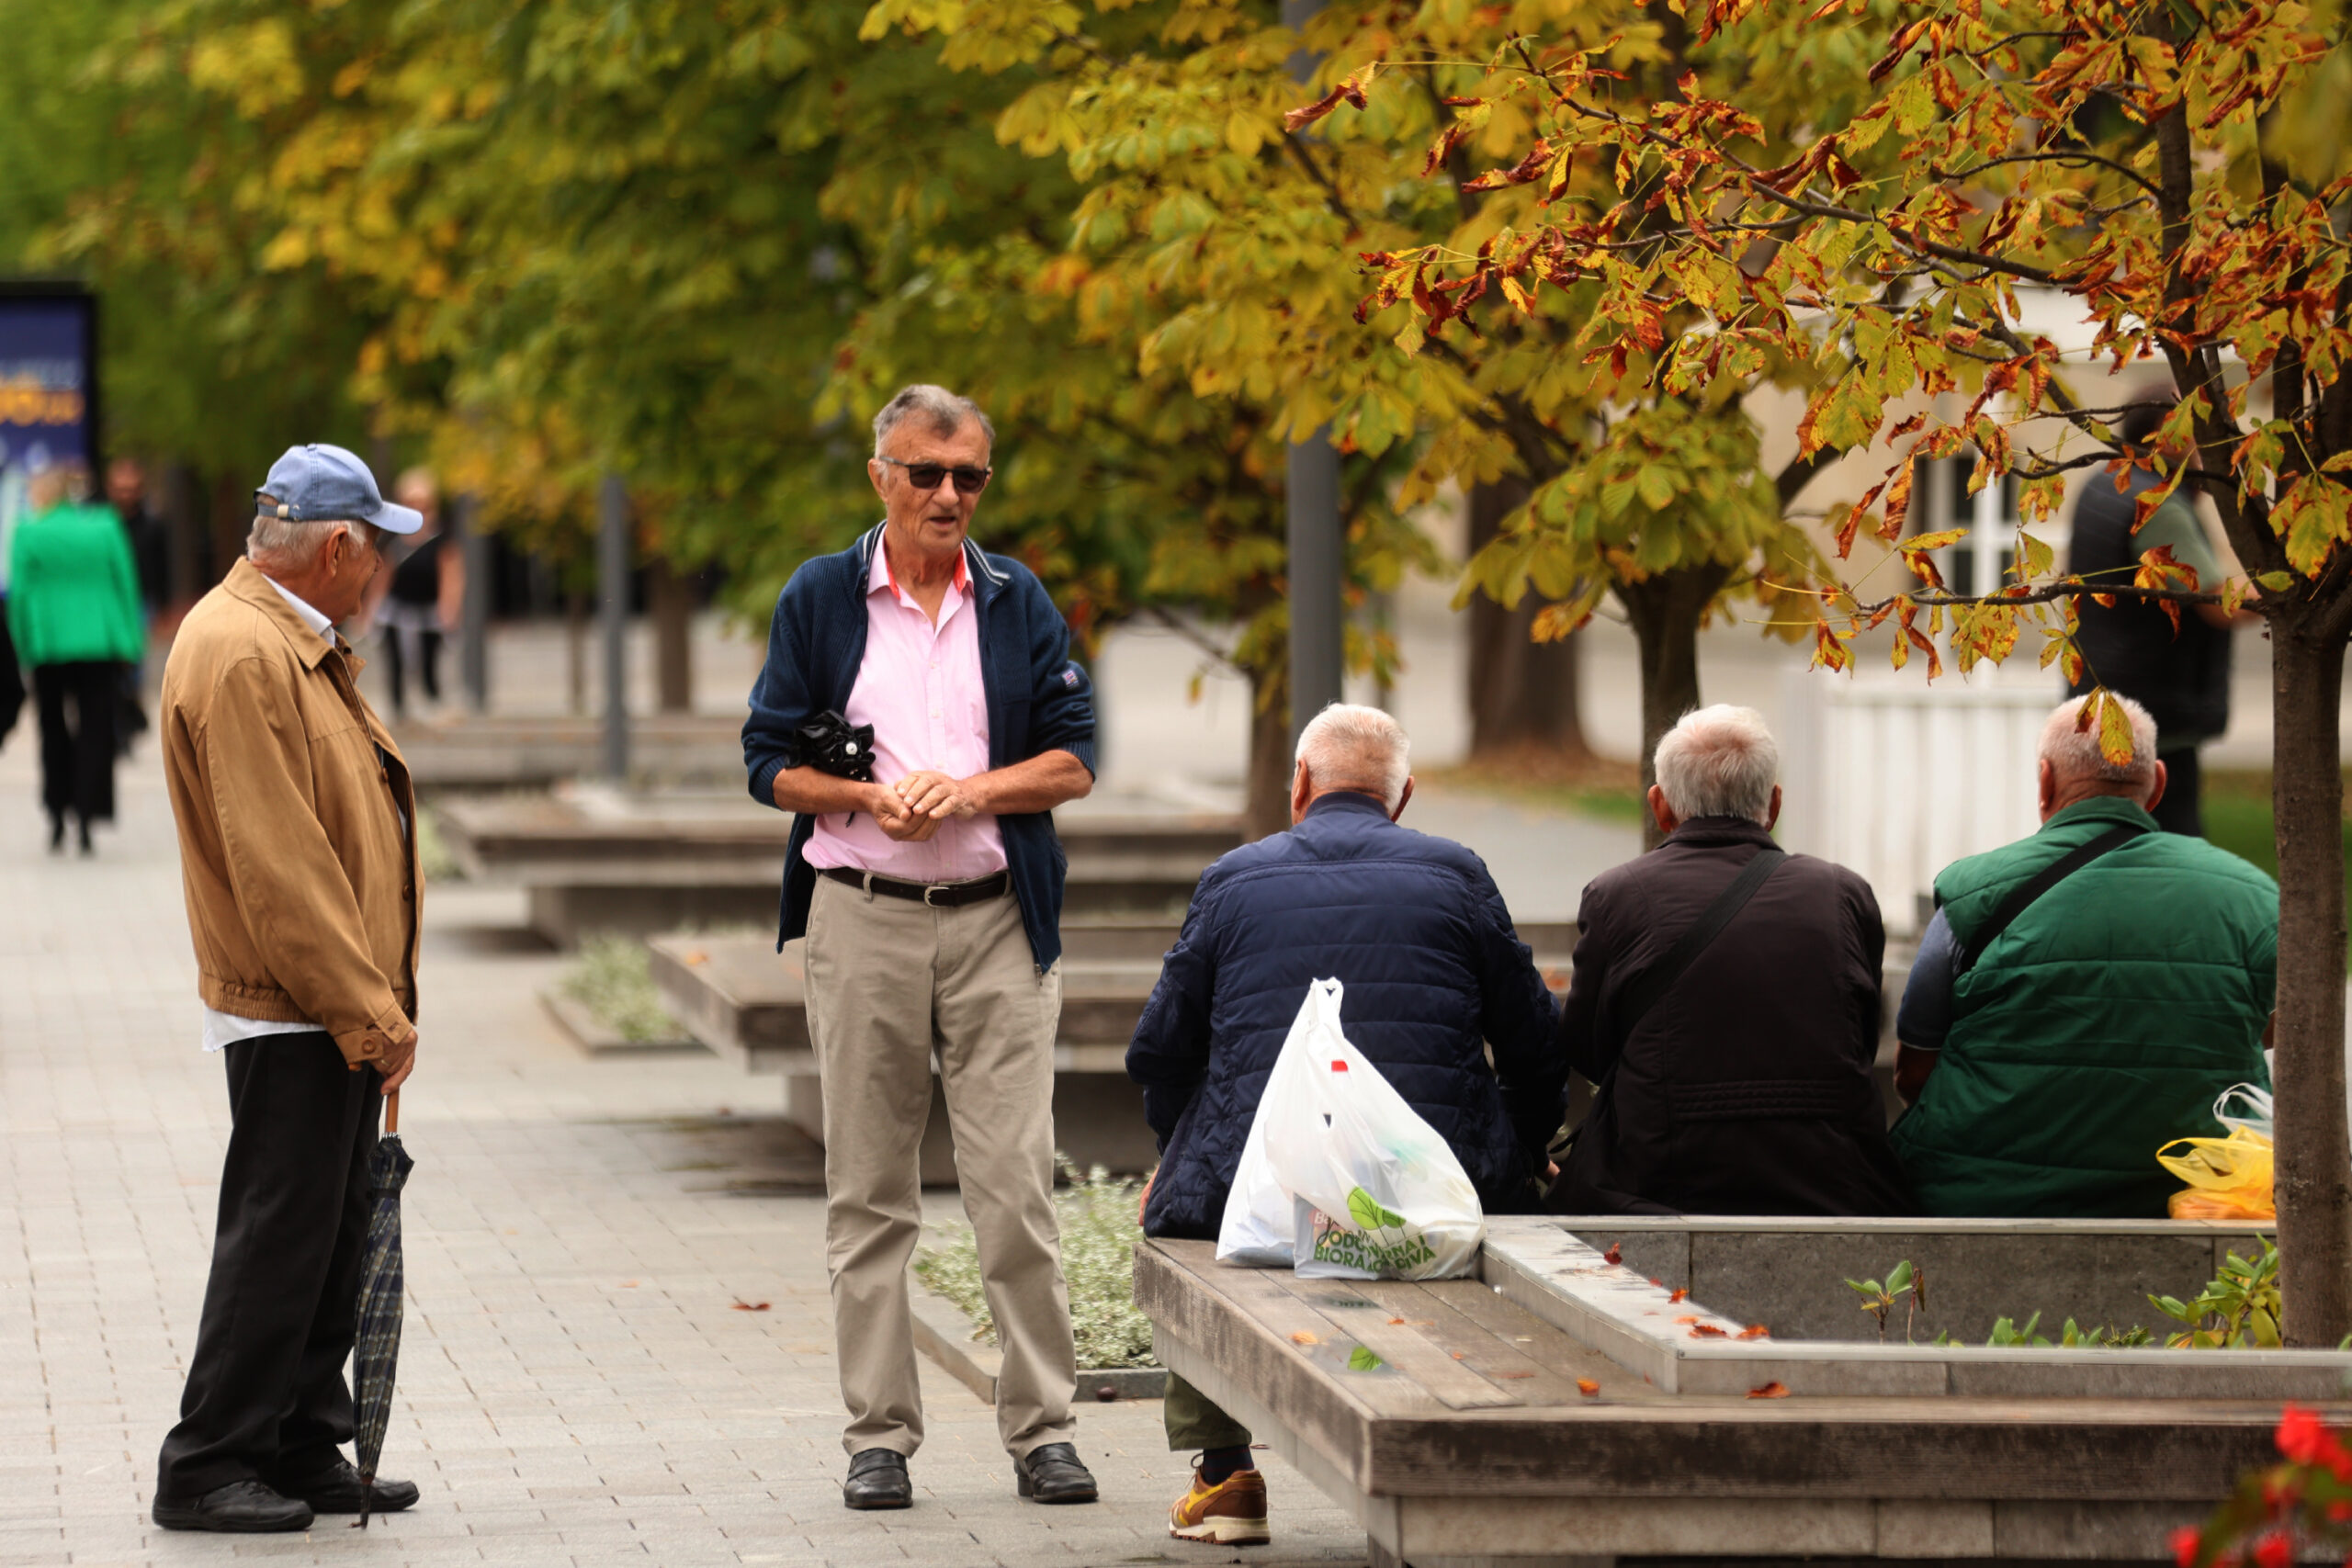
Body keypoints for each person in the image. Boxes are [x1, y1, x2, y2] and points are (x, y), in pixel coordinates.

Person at [741, 384, 1101, 1512]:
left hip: (997, 923)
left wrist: (972, 790)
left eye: (969, 476)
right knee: (869, 1193)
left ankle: (1043, 1430)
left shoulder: (1015, 598)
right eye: (926, 473)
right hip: (863, 916)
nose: (948, 495)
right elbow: (766, 763)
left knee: (1015, 1190)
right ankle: (878, 1437)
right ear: (880, 477)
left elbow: (1075, 759)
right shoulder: (819, 596)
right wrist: (866, 796)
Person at [1127, 702, 1564, 1549]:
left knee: (1180, 1215)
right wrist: (1523, 1145)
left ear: (1300, 783)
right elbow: (1535, 1044)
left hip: (1256, 1192)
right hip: (1433, 1188)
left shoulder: (1233, 879)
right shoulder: (1457, 874)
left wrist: (1179, 1151)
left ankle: (1226, 1476)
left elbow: (1159, 1050)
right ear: (1404, 796)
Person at [151, 444, 426, 1533]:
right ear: (338, 546)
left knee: (327, 1225)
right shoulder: (241, 650)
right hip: (296, 998)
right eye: (377, 548)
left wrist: (371, 998)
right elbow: (281, 864)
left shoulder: (284, 638)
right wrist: (367, 1009)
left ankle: (303, 1437)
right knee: (281, 1229)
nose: (381, 571)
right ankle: (210, 1459)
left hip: (326, 994)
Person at [1890, 694, 2277, 1217]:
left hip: (1986, 1200)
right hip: (2193, 1200)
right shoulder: (2253, 896)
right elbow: (2274, 1030)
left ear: (2044, 780)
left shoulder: (1972, 891)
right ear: (2159, 783)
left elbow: (1913, 1071)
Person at [1552, 705, 1912, 1217]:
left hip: (1658, 1185)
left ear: (1660, 806)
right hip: (1830, 1184)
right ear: (1774, 804)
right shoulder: (1844, 894)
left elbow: (1587, 1047)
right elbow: (1860, 1032)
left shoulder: (1617, 896)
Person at [2065, 397, 2254, 837]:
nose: (2207, 442)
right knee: (2168, 846)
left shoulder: (2104, 482)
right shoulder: (2158, 507)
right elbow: (2217, 603)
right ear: (2165, 438)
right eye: (2194, 428)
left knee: (2106, 840)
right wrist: (2288, 592)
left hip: (2103, 702)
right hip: (2157, 716)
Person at [6, 462, 143, 854]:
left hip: (48, 641)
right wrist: (131, 641)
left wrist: (21, 644)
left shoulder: (29, 531)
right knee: (95, 727)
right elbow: (126, 583)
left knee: (51, 726)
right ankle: (87, 811)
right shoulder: (105, 526)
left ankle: (56, 810)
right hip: (98, 638)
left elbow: (20, 594)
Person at [365, 468, 462, 718]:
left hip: (429, 611)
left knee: (430, 659)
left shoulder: (441, 538)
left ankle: (433, 702)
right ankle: (398, 709)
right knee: (395, 660)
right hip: (396, 611)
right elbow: (382, 575)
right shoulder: (392, 537)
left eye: (423, 504)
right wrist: (369, 610)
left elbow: (451, 573)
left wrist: (449, 608)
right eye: (411, 503)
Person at [107, 456, 164, 754]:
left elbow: (160, 566)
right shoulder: (103, 523)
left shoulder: (152, 525)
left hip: (141, 602)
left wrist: (161, 604)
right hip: (109, 601)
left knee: (134, 667)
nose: (125, 495)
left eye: (130, 489)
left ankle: (127, 723)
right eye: (120, 489)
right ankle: (116, 724)